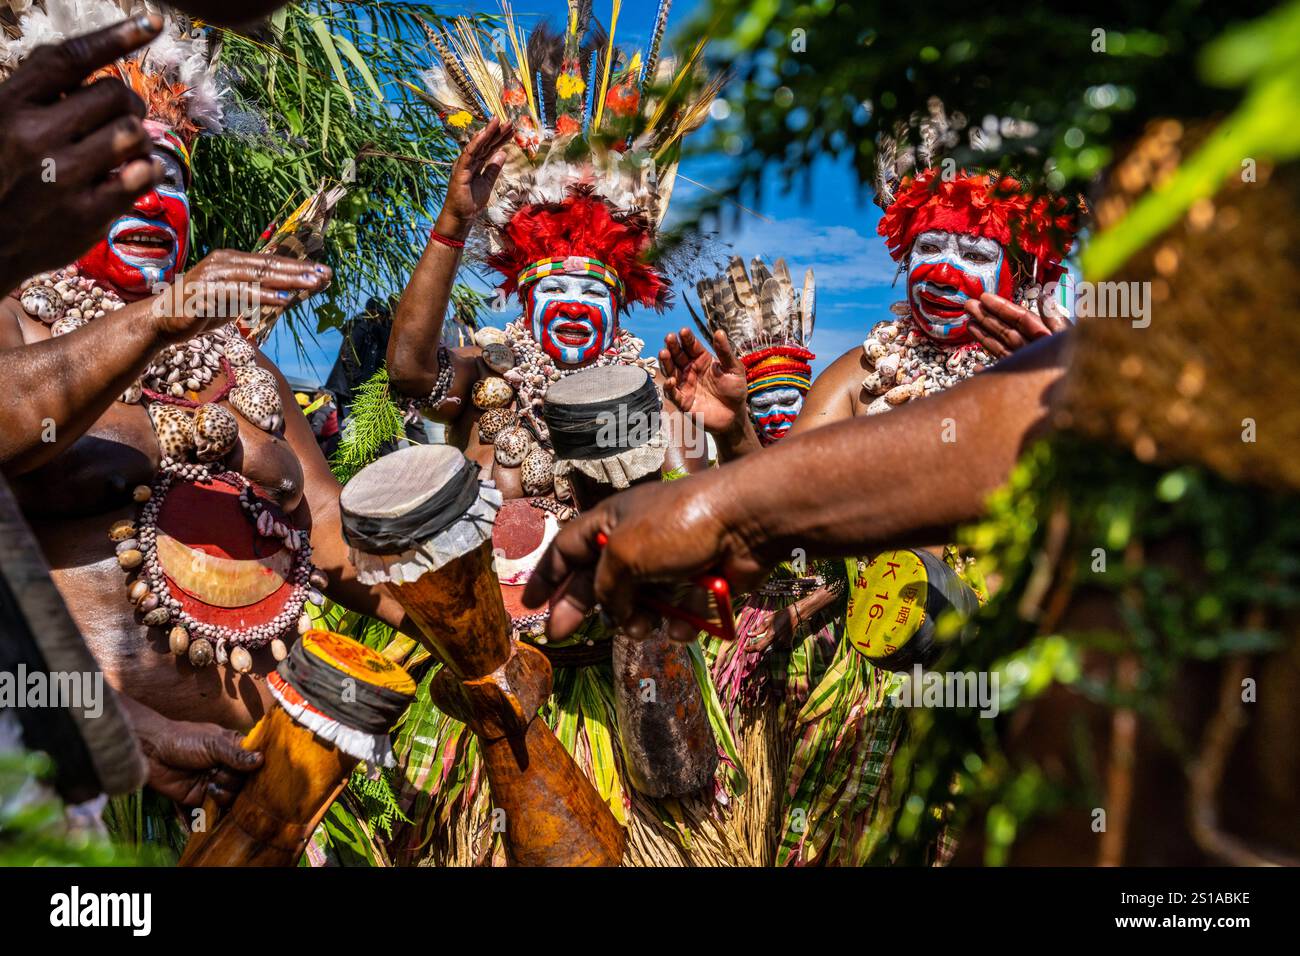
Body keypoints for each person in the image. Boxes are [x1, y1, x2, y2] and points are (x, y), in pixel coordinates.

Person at [0, 2, 410, 815]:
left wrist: (468, 610)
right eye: (122, 179)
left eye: (173, 179)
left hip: (266, 787)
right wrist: (187, 396)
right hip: (89, 785)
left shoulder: (238, 356)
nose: (153, 202)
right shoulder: (15, 316)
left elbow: (334, 538)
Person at [383, 2, 748, 865]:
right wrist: (451, 226)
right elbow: (407, 374)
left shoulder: (665, 390)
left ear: (621, 300)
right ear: (522, 293)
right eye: (556, 290)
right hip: (503, 696)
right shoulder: (485, 373)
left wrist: (725, 437)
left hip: (635, 692)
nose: (575, 308)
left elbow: (731, 524)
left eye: (594, 292)